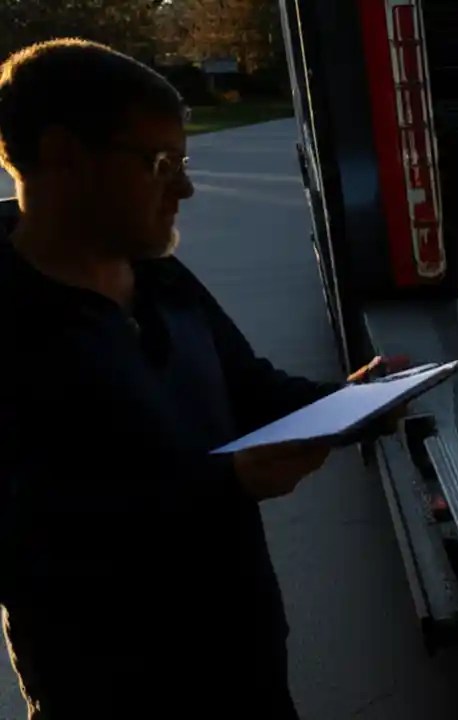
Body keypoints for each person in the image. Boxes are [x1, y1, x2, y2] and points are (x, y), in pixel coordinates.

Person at [0, 38, 375, 718]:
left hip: (248, 669)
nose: (185, 188)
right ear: (64, 158)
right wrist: (221, 486)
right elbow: (27, 533)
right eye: (160, 163)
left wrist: (360, 400)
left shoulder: (158, 274)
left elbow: (250, 389)